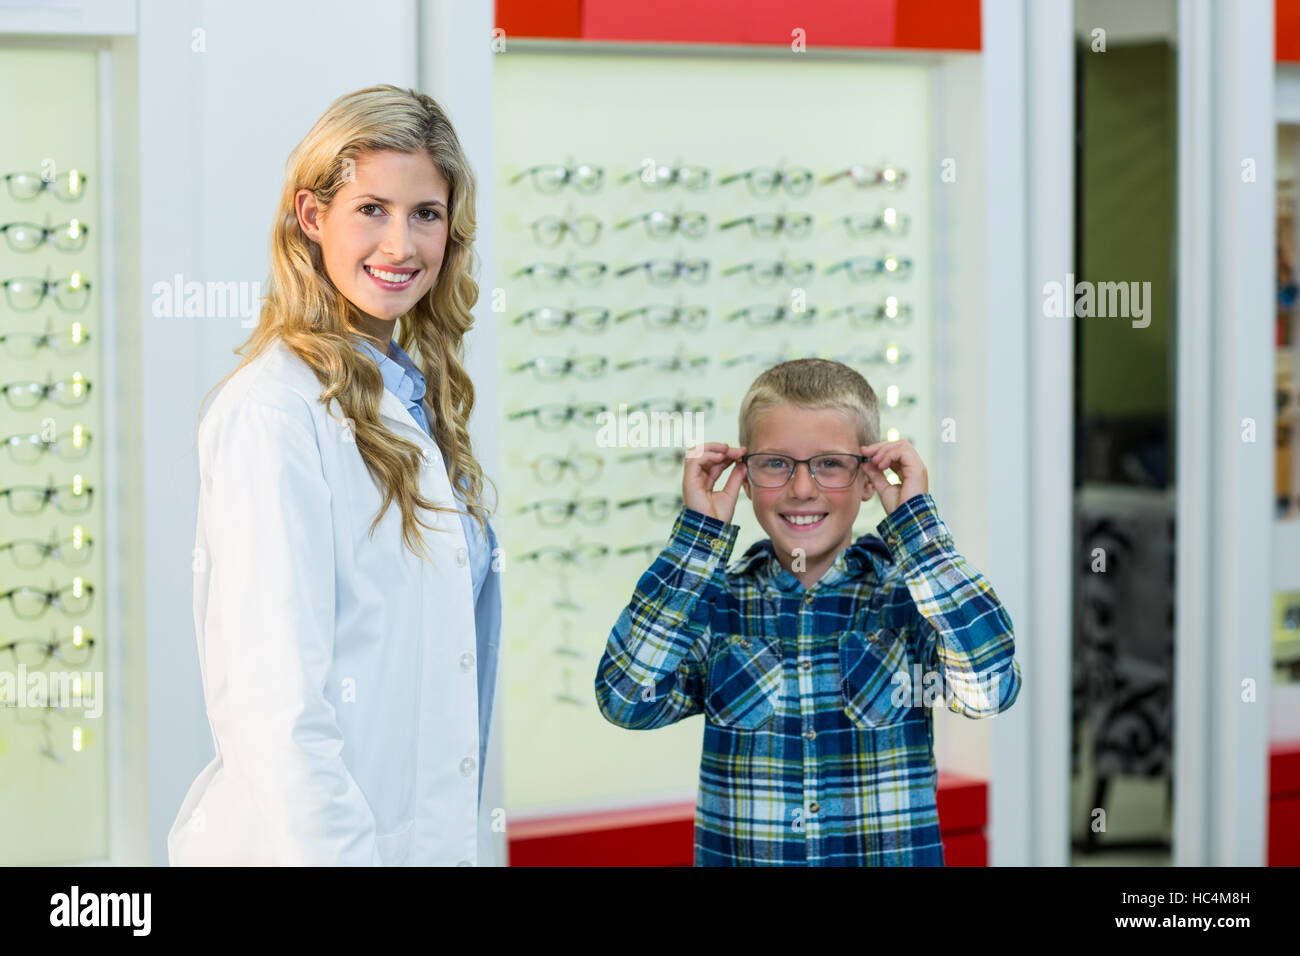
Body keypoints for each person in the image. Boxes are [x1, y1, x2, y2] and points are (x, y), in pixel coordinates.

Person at [168, 85, 501, 866]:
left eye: (426, 214)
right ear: (312, 217)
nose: (401, 245)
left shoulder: (411, 395)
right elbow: (276, 701)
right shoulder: (274, 413)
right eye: (371, 209)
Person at [594, 358, 1022, 865]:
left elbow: (991, 688)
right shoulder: (716, 606)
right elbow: (625, 699)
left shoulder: (908, 602)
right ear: (745, 478)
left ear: (869, 479)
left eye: (829, 463)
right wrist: (696, 543)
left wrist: (917, 530)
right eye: (776, 462)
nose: (801, 489)